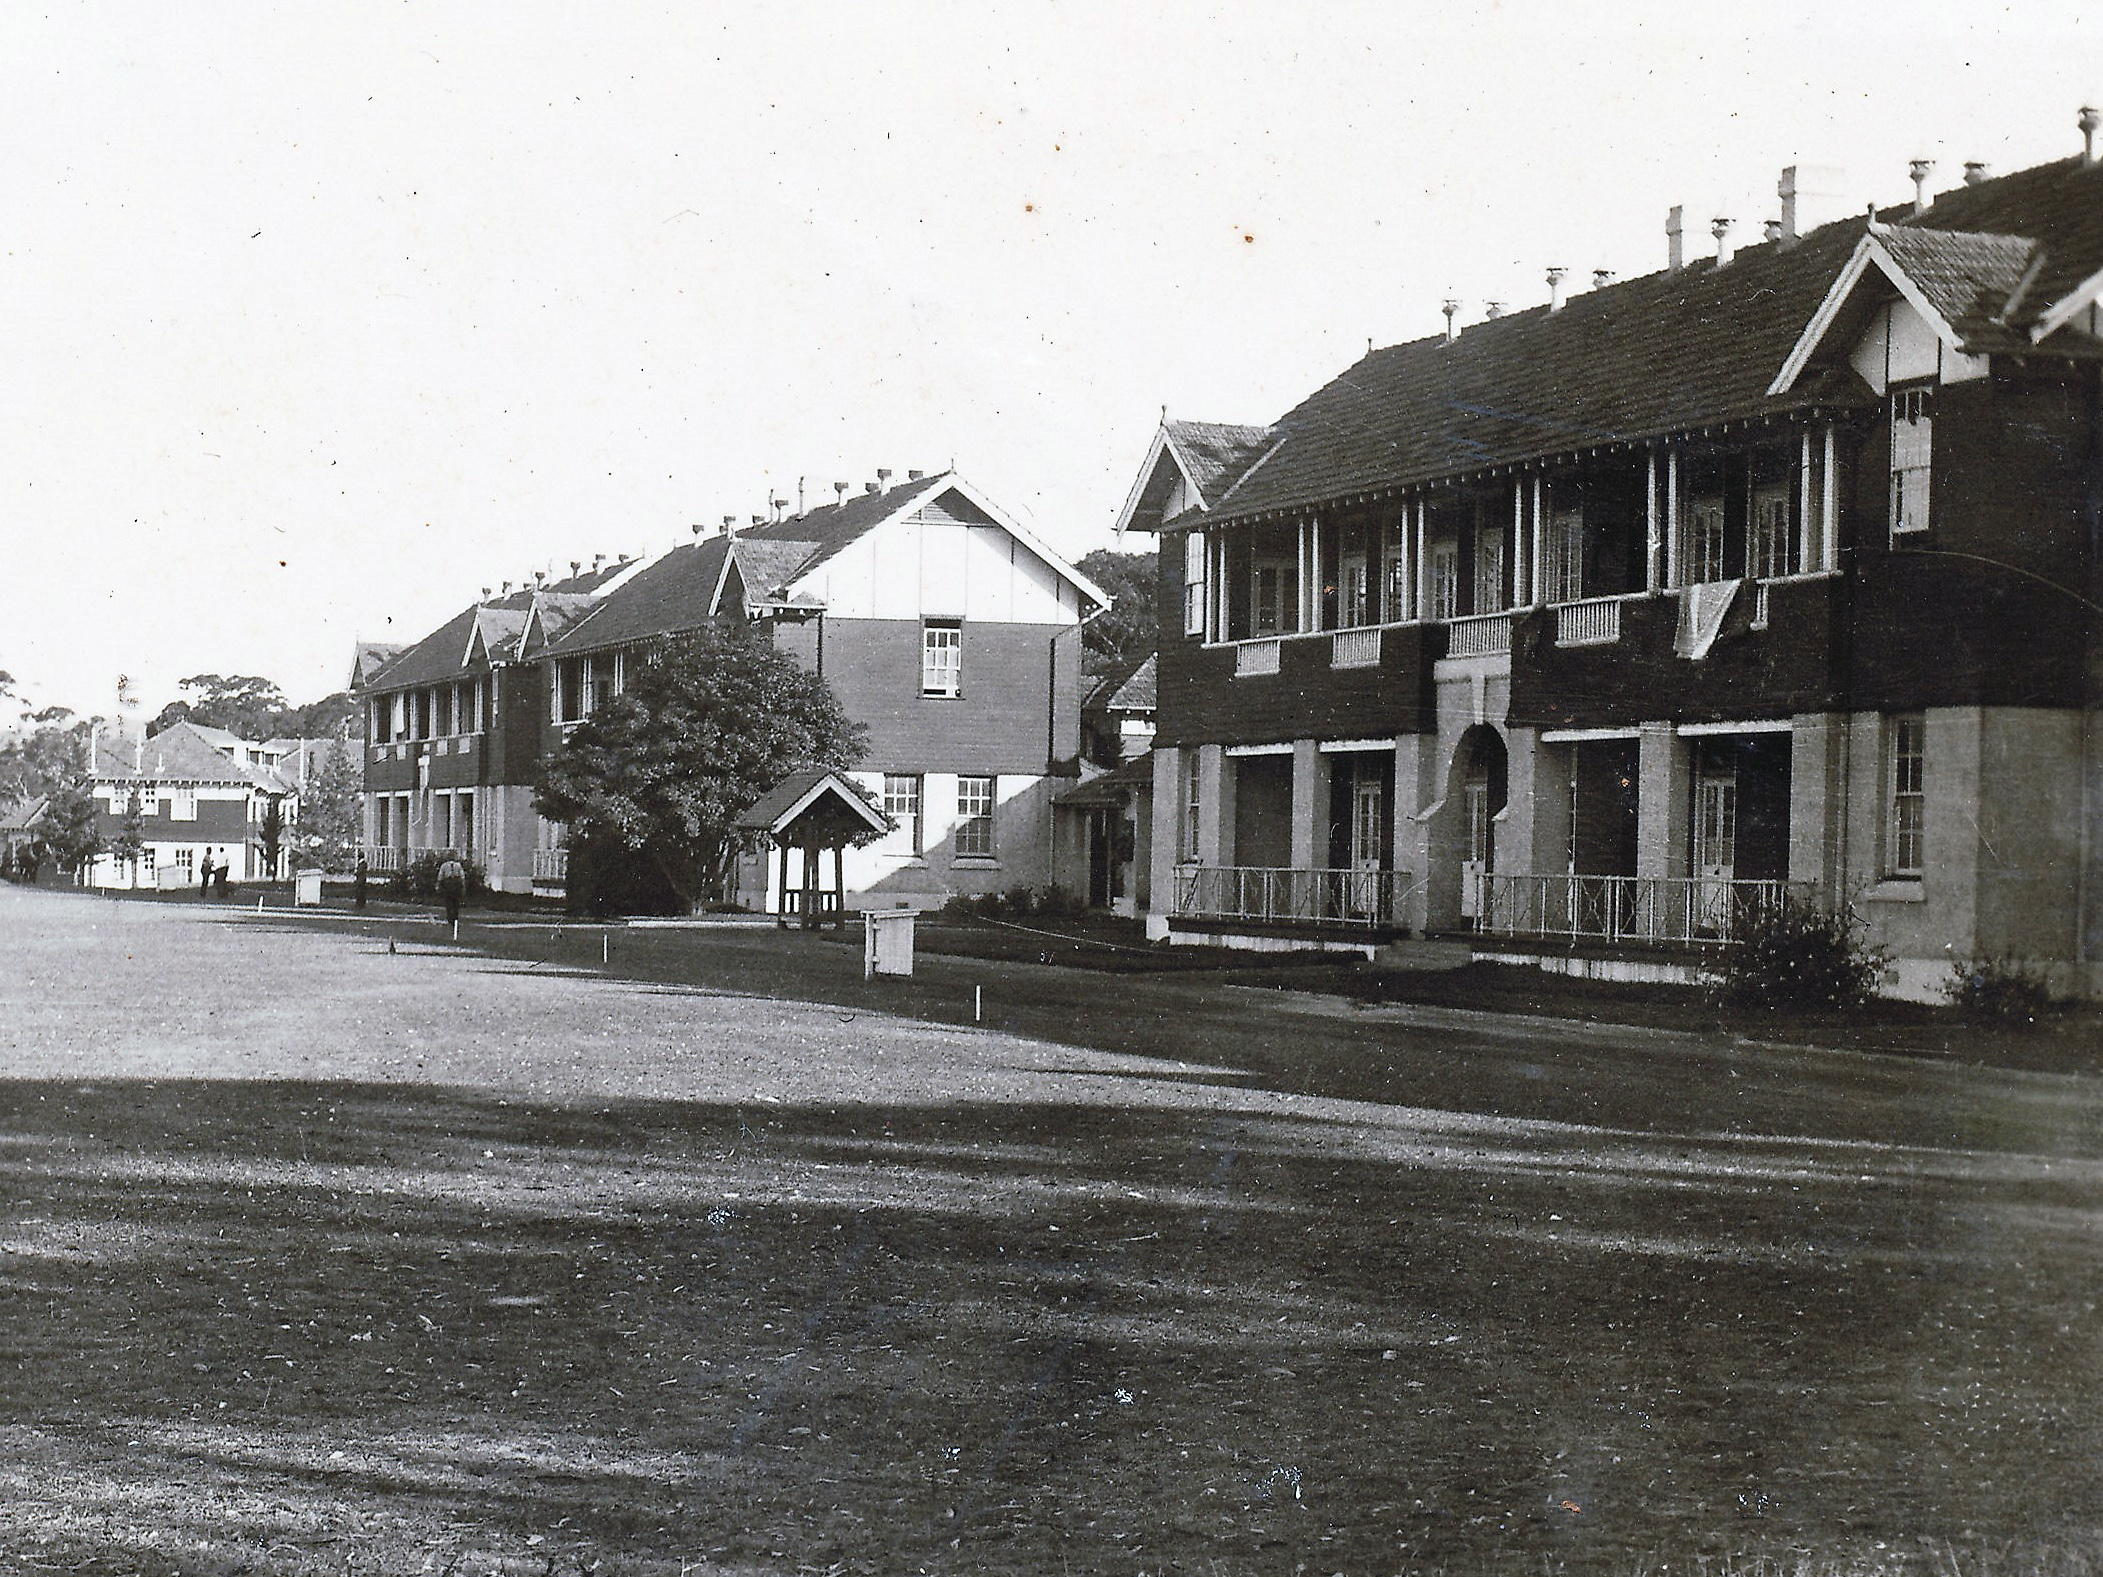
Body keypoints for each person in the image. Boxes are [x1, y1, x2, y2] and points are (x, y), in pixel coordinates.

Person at [436, 854, 465, 927]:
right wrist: (462, 886)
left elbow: (440, 876)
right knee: (455, 902)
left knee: (449, 902)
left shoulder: (444, 865)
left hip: (449, 884)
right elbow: (462, 876)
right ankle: (454, 918)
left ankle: (450, 918)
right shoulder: (458, 865)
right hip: (454, 884)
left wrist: (439, 885)